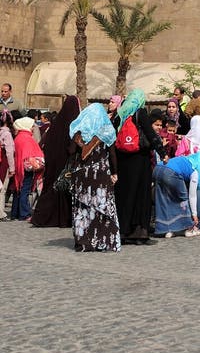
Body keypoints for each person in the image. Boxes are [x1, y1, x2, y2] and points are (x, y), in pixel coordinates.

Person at [114, 88, 166, 245]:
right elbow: (150, 133)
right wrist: (162, 152)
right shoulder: (140, 112)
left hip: (123, 160)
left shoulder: (120, 113)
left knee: (125, 195)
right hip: (139, 160)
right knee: (141, 195)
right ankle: (139, 233)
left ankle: (123, 230)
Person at [69, 102, 121, 252]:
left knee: (82, 209)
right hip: (101, 175)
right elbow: (112, 154)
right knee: (103, 206)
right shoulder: (107, 130)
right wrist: (115, 172)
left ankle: (83, 242)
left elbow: (71, 151)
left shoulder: (80, 130)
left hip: (82, 175)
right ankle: (104, 240)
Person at [31, 95, 80, 228]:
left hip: (54, 163)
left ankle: (43, 216)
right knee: (63, 189)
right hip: (66, 164)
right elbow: (72, 148)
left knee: (53, 186)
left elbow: (47, 144)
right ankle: (64, 218)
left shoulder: (56, 125)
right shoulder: (75, 124)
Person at [153, 150, 200, 238]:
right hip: (171, 173)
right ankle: (188, 228)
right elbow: (192, 195)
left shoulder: (185, 160)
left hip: (157, 169)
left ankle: (167, 229)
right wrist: (194, 215)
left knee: (165, 200)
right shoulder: (194, 171)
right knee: (183, 199)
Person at [11, 116, 45, 220]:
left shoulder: (18, 137)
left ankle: (15, 213)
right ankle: (24, 214)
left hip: (18, 167)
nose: (33, 128)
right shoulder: (27, 138)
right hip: (26, 169)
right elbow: (30, 154)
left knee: (18, 190)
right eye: (31, 126)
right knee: (25, 190)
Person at [0, 111, 15, 220]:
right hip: (3, 162)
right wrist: (12, 168)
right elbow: (9, 152)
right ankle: (1, 213)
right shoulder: (7, 134)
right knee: (2, 189)